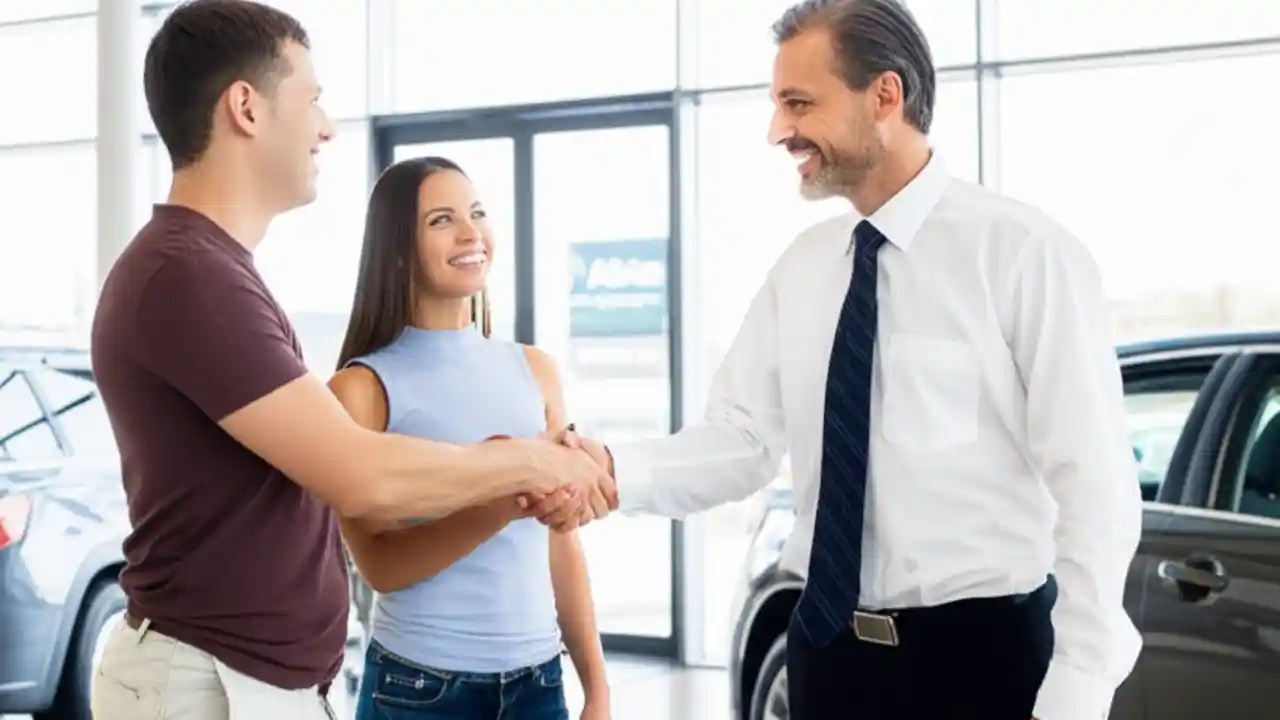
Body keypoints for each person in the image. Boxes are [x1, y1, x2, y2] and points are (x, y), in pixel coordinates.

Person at [567, 1, 1144, 719]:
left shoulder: (1024, 255)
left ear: (885, 96)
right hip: (829, 656)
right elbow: (742, 440)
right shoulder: (802, 270)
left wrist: (1076, 689)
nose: (779, 130)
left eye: (799, 103)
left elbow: (1096, 487)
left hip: (982, 664)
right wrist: (611, 474)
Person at [89, 2, 612, 718]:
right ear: (246, 106)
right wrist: (533, 464)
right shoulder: (188, 277)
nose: (327, 127)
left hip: (237, 679)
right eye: (312, 99)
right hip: (205, 682)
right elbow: (361, 475)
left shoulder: (210, 271)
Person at [329, 156, 611, 720]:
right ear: (399, 246)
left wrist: (596, 688)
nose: (470, 232)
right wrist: (502, 500)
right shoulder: (362, 389)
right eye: (441, 219)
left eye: (477, 212)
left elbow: (561, 544)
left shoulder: (536, 370)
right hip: (418, 690)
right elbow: (380, 567)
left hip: (539, 682)